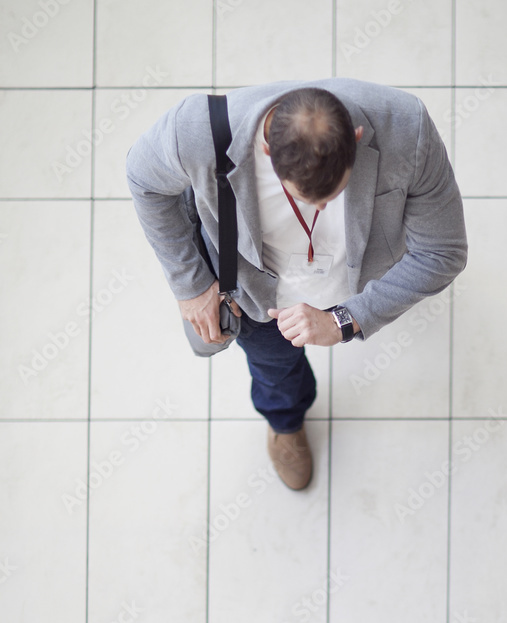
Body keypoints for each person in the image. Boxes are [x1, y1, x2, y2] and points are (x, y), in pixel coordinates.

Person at [126, 78, 467, 490]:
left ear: (357, 140)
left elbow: (442, 252)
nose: (321, 208)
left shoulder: (406, 127)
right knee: (273, 370)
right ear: (267, 150)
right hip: (255, 294)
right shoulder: (198, 130)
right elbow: (144, 181)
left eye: (333, 193)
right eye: (305, 198)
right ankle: (285, 424)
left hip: (353, 282)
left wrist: (345, 319)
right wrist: (192, 285)